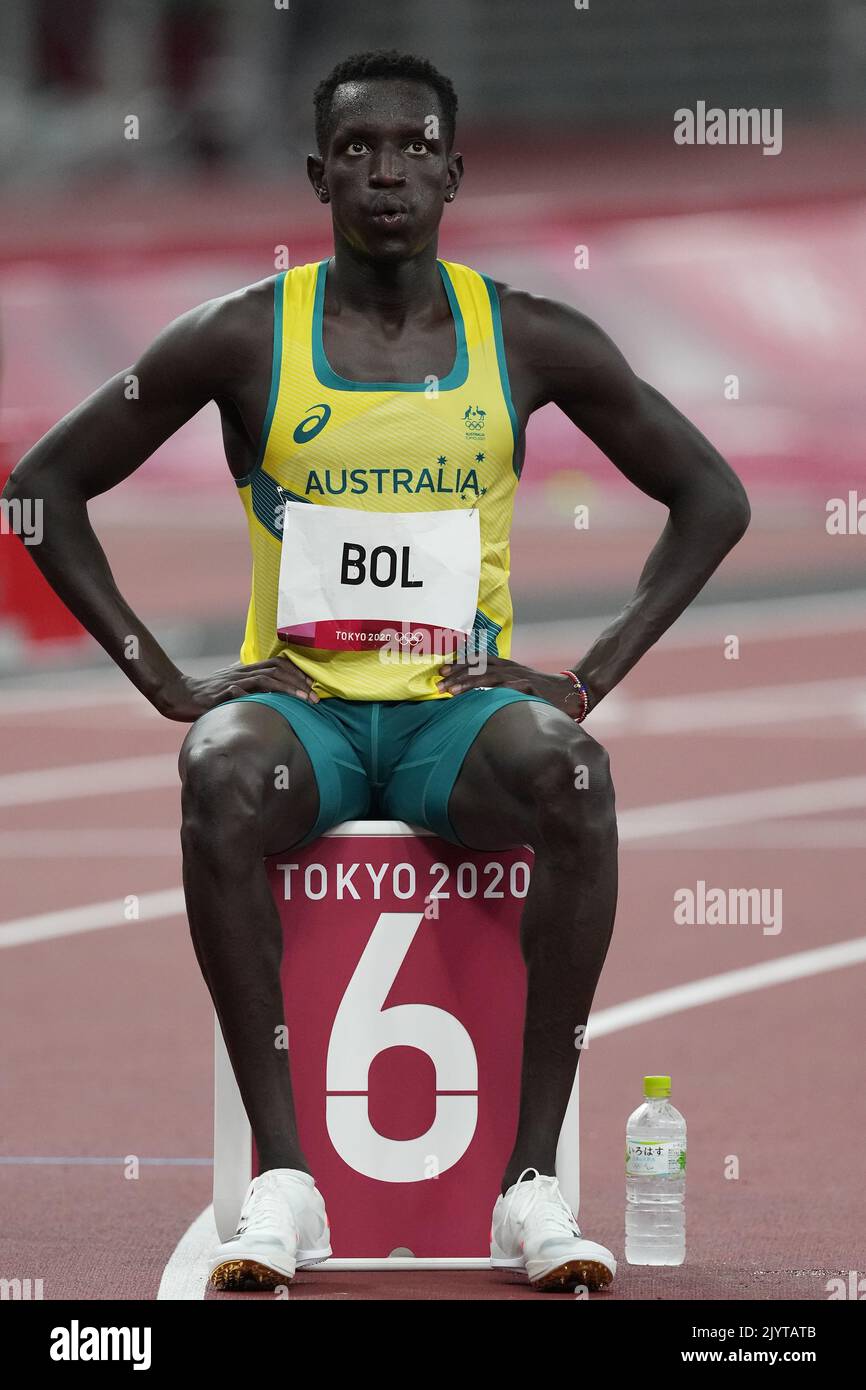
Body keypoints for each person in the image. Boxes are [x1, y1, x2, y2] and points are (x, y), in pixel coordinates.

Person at [3, 48, 750, 1295]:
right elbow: (37, 492)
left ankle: (529, 1186)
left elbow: (709, 497)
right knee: (217, 769)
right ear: (316, 177)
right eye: (356, 150)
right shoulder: (244, 337)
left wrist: (584, 677)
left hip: (454, 720)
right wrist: (166, 680)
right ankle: (285, 1180)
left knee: (574, 778)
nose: (385, 170)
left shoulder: (526, 337)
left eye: (411, 147)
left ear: (454, 173)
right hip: (311, 722)